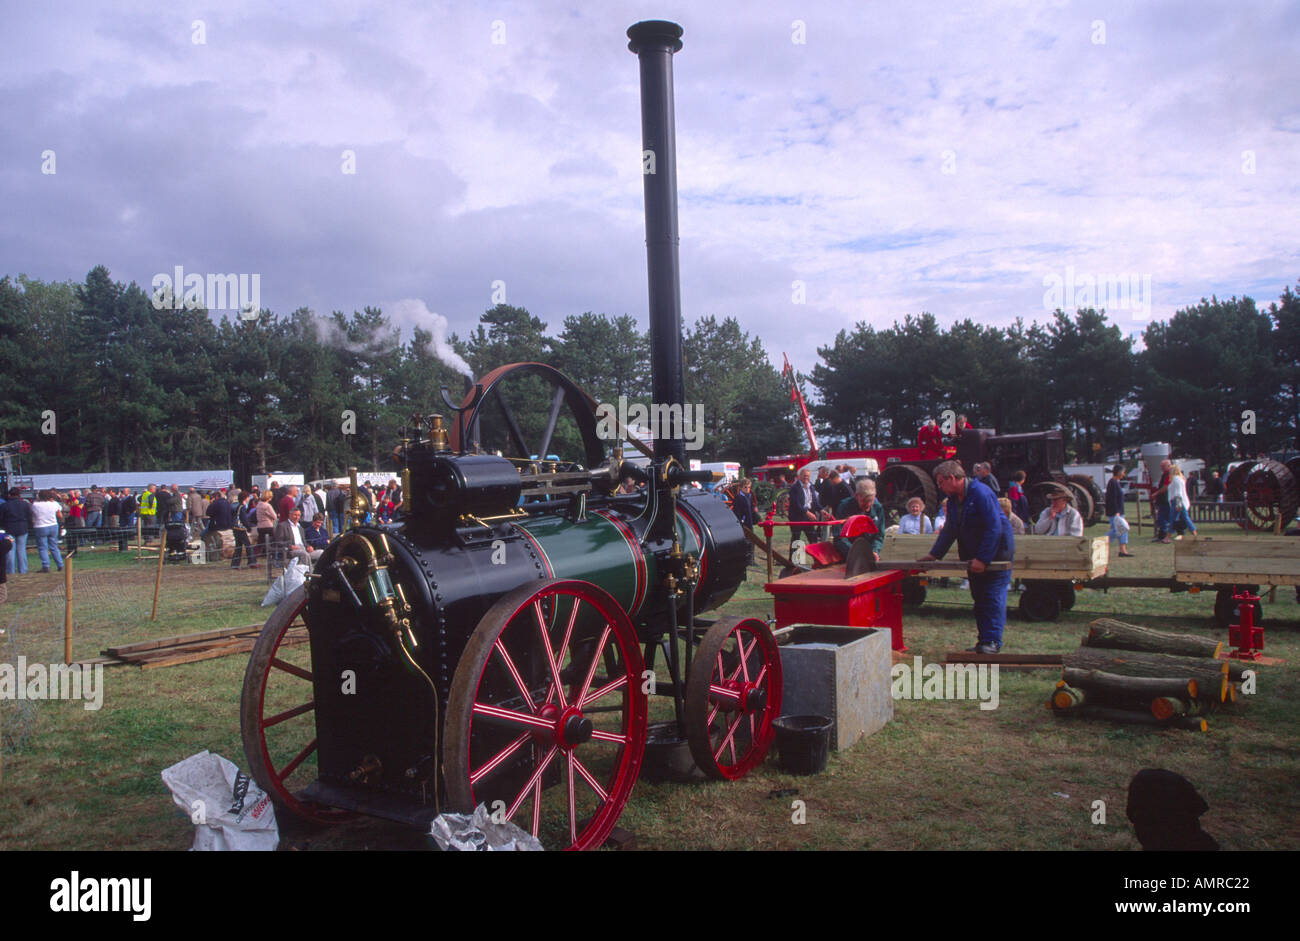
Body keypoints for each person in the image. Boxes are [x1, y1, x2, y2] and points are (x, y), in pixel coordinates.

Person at [918, 460, 1014, 654]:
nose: (939, 487)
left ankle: (993, 643)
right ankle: (984, 642)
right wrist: (933, 555)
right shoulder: (954, 500)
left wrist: (983, 559)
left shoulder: (981, 493)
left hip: (996, 554)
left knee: (992, 597)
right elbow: (950, 530)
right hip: (975, 555)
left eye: (940, 483)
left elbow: (993, 528)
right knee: (979, 598)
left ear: (952, 478)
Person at [834, 478, 885, 561]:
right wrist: (856, 552)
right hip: (848, 552)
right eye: (864, 501)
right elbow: (839, 536)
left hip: (868, 551)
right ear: (856, 496)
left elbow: (879, 535)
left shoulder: (878, 508)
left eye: (870, 501)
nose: (868, 505)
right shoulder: (844, 507)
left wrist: (875, 551)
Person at [788, 467, 829, 547]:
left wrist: (821, 510)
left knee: (813, 539)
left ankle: (816, 558)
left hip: (808, 517)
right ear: (799, 476)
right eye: (804, 475)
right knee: (796, 540)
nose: (806, 477)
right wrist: (807, 513)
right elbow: (797, 504)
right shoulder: (794, 488)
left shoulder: (811, 487)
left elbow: (815, 503)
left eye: (808, 476)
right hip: (797, 517)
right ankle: (793, 559)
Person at [31, 489, 65, 573]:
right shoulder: (54, 504)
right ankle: (60, 565)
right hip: (53, 525)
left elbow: (32, 515)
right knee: (54, 546)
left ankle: (46, 566)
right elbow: (60, 515)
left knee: (42, 547)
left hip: (40, 526)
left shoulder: (35, 505)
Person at [0, 488, 32, 574]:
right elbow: (29, 517)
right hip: (23, 529)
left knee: (10, 550)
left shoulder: (4, 505)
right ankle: (23, 570)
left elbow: (1, 519)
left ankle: (11, 570)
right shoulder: (25, 504)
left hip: (10, 529)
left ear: (9, 495)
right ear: (19, 495)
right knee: (21, 550)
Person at [1106, 464, 1134, 557]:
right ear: (1118, 472)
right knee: (1117, 530)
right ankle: (1101, 542)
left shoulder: (1116, 482)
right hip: (1115, 512)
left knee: (1122, 530)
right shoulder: (1112, 482)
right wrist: (1116, 512)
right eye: (1123, 472)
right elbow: (1113, 498)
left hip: (1119, 512)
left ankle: (1123, 550)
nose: (1124, 474)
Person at [1168, 465, 1197, 539]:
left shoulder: (1176, 479)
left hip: (1178, 501)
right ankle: (1194, 533)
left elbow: (1178, 493)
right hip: (1179, 501)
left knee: (1174, 518)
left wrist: (1178, 504)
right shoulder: (1179, 479)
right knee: (1184, 518)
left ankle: (1167, 537)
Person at [1152, 460, 1172, 544]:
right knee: (1162, 518)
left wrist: (1156, 493)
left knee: (1163, 519)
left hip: (1166, 500)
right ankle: (1161, 536)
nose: (1161, 468)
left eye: (1163, 466)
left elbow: (1165, 487)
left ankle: (1163, 536)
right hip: (1162, 500)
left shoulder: (1169, 475)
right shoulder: (1164, 474)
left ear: (1168, 466)